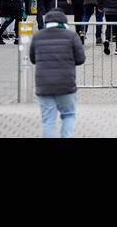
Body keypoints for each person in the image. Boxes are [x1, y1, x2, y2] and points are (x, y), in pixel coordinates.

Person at [28, 8, 85, 138]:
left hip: (44, 85)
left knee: (48, 120)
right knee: (69, 114)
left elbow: (33, 59)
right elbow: (80, 59)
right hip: (66, 84)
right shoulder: (72, 36)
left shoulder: (37, 36)